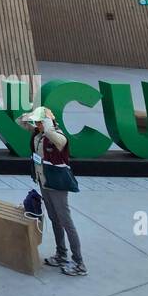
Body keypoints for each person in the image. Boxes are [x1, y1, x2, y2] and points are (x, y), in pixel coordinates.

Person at [20, 105, 86, 276]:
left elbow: (53, 136)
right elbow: (20, 121)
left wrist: (48, 119)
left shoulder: (58, 136)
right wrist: (33, 114)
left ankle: (79, 262)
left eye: (40, 121)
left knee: (66, 221)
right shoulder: (39, 135)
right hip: (44, 182)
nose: (38, 124)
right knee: (54, 219)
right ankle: (61, 254)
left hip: (57, 184)